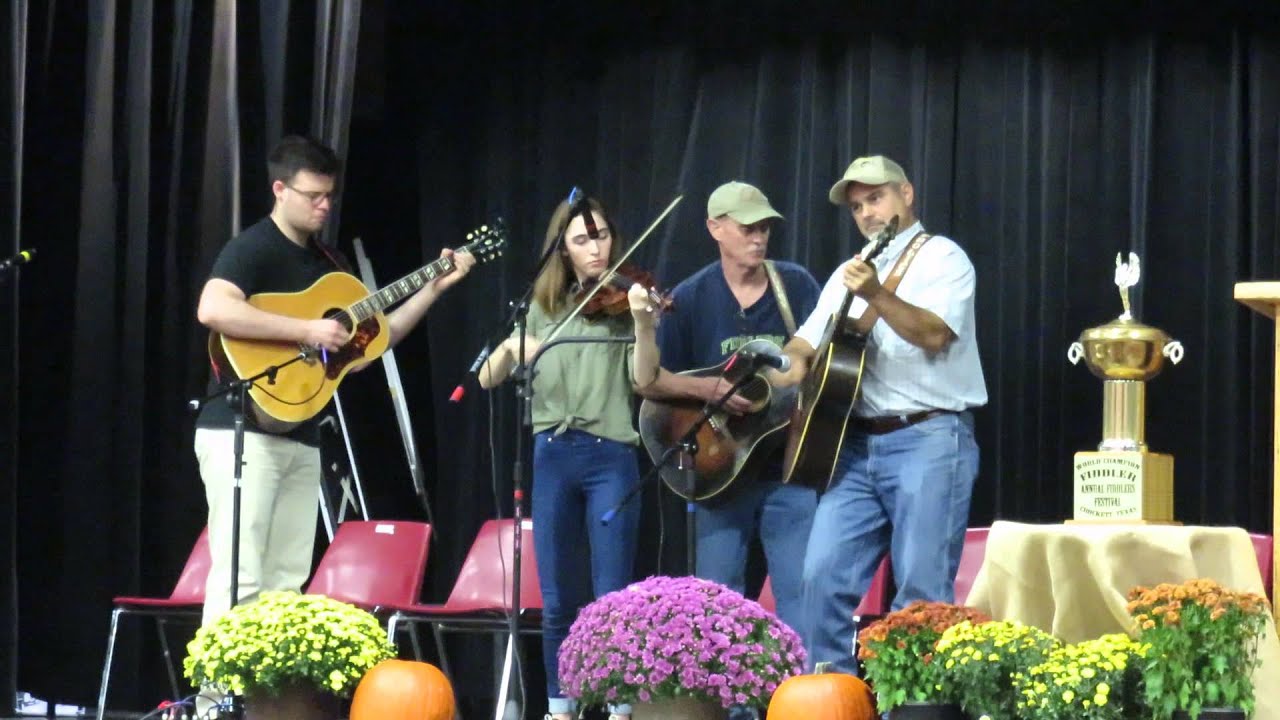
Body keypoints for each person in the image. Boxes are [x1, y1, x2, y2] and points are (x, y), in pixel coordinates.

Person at [193, 135, 475, 630]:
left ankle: (270, 701)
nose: (325, 205)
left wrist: (433, 288)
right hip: (239, 427)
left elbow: (372, 347)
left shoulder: (331, 267)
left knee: (287, 576)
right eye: (312, 196)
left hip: (301, 429)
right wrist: (304, 329)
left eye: (329, 196)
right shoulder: (254, 248)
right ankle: (219, 703)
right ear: (280, 190)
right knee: (240, 573)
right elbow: (213, 309)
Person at [771, 155, 987, 674]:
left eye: (877, 198)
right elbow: (804, 340)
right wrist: (785, 366)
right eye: (858, 206)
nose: (867, 213)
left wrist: (874, 292)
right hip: (856, 444)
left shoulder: (943, 258)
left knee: (920, 592)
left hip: (930, 437)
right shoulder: (855, 266)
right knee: (820, 576)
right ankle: (832, 700)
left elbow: (934, 335)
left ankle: (913, 708)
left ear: (906, 194)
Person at [479, 194, 654, 720]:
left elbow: (644, 379)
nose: (596, 247)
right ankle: (561, 707)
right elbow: (487, 378)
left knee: (612, 597)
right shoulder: (541, 308)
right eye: (582, 239)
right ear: (563, 251)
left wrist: (645, 325)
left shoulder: (626, 303)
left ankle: (620, 708)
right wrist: (512, 349)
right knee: (557, 597)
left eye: (601, 235)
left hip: (612, 456)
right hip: (552, 452)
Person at [633, 181, 820, 642]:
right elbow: (651, 381)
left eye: (764, 228)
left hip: (787, 470)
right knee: (718, 602)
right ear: (715, 228)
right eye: (747, 227)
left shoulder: (794, 286)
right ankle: (730, 712)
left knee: (801, 596)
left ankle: (795, 705)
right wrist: (707, 388)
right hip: (719, 468)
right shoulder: (691, 297)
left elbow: (823, 360)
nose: (759, 237)